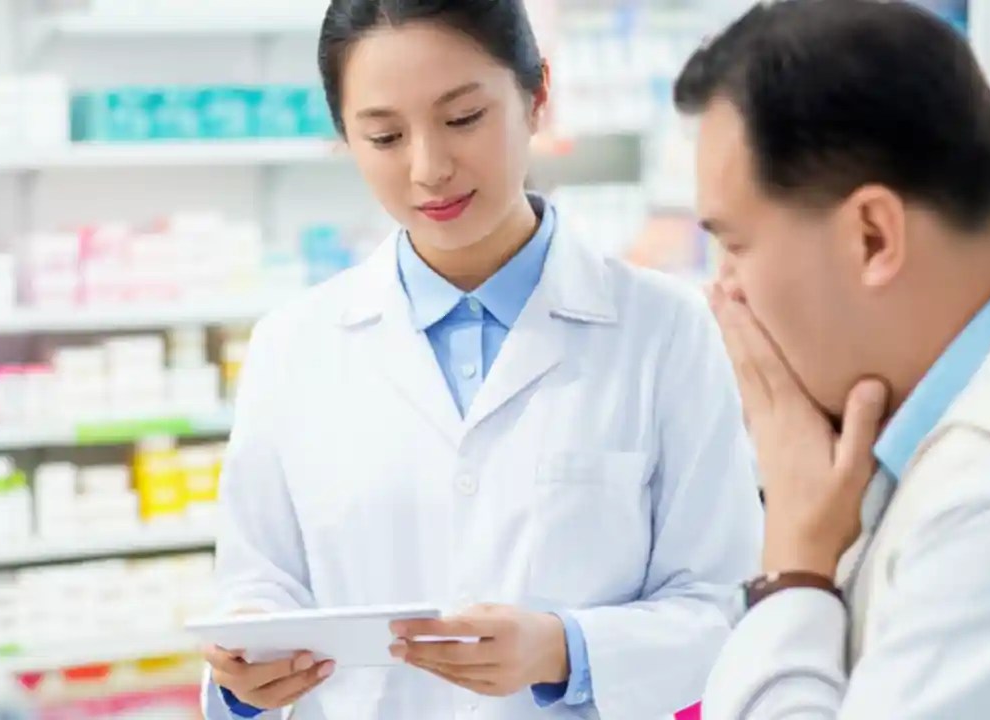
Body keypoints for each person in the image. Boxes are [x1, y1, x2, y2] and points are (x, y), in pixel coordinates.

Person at [200, 1, 764, 718]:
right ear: (344, 136)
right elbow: (257, 587)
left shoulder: (664, 329)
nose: (429, 168)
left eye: (463, 119)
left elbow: (722, 607)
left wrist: (565, 649)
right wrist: (242, 675)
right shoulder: (294, 345)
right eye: (384, 135)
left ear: (536, 97)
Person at [673, 1, 990, 718]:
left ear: (874, 237)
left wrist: (793, 572)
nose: (724, 291)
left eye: (736, 246)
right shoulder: (975, 408)